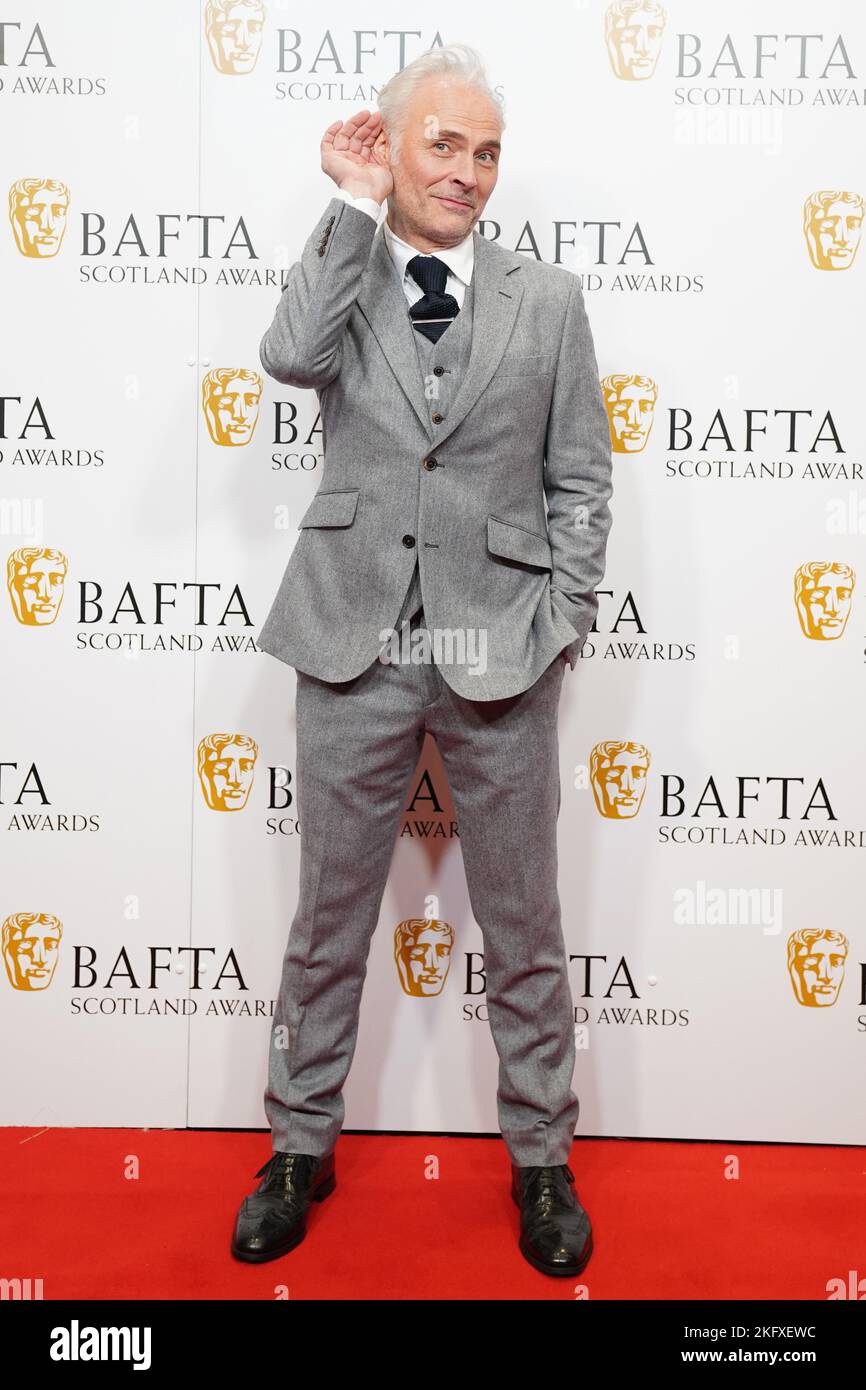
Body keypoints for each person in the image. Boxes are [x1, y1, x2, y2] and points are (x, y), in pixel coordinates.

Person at [232, 43, 613, 1279]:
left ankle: (542, 1160)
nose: (466, 170)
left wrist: (559, 620)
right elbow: (289, 355)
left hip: (501, 646)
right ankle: (298, 1145)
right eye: (441, 143)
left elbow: (579, 480)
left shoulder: (544, 301)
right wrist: (344, 209)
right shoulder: (343, 272)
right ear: (388, 149)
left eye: (485, 150)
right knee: (326, 916)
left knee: (525, 920)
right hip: (350, 633)